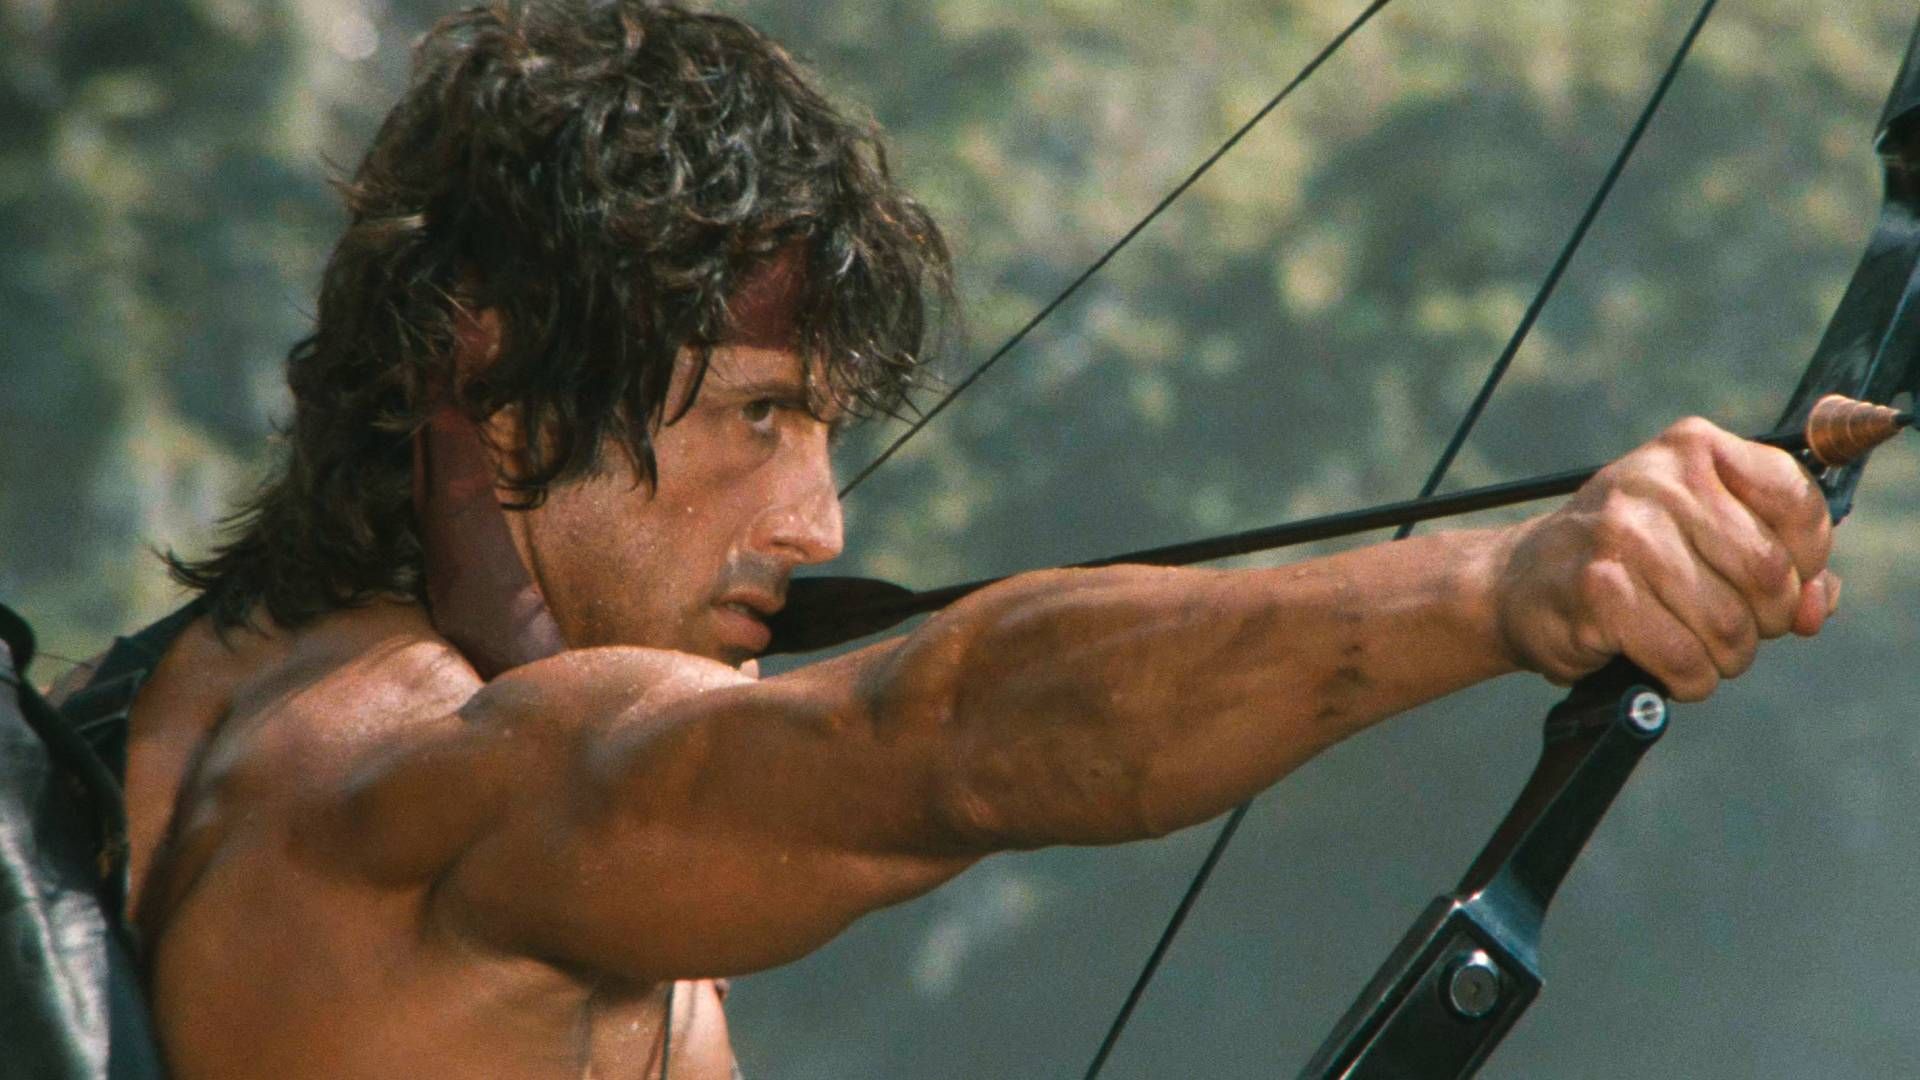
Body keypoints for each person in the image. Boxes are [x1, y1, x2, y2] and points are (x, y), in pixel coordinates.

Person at [54, 2, 1839, 1077]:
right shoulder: (432, 785)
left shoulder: (208, 720)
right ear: (496, 390)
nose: (819, 519)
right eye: (760, 416)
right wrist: (1506, 583)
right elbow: (947, 737)